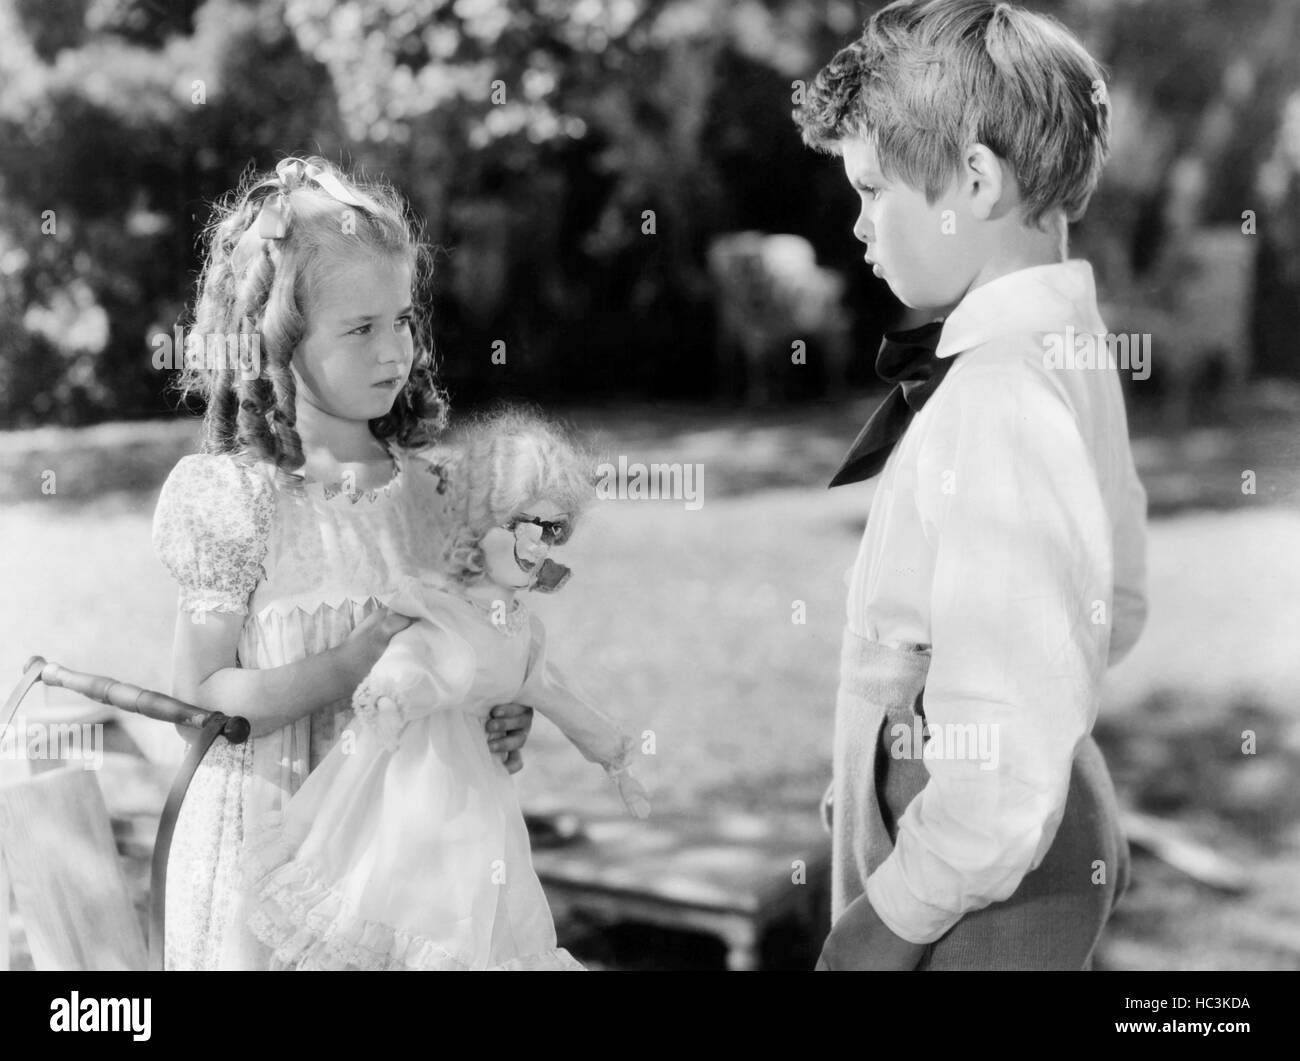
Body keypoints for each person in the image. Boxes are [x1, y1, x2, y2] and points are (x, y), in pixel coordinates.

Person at [793, 0, 1149, 969]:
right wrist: (875, 756)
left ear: (975, 181)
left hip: (986, 865)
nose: (860, 227)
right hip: (1016, 804)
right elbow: (1110, 606)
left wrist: (891, 910)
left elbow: (994, 754)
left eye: (872, 191)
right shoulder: (1064, 345)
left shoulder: (999, 391)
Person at [151, 157, 534, 969]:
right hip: (277, 858)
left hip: (408, 872)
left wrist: (489, 707)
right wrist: (344, 666)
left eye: (402, 319)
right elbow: (199, 699)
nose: (395, 348)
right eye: (360, 329)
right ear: (274, 341)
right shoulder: (236, 501)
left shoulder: (432, 491)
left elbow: (459, 647)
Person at [243, 411, 650, 971]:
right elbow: (422, 658)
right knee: (407, 903)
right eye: (522, 524)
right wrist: (391, 695)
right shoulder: (443, 607)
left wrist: (614, 753)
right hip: (416, 780)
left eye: (552, 531)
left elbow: (553, 693)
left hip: (482, 799)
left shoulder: (524, 628)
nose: (536, 544)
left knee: (478, 913)